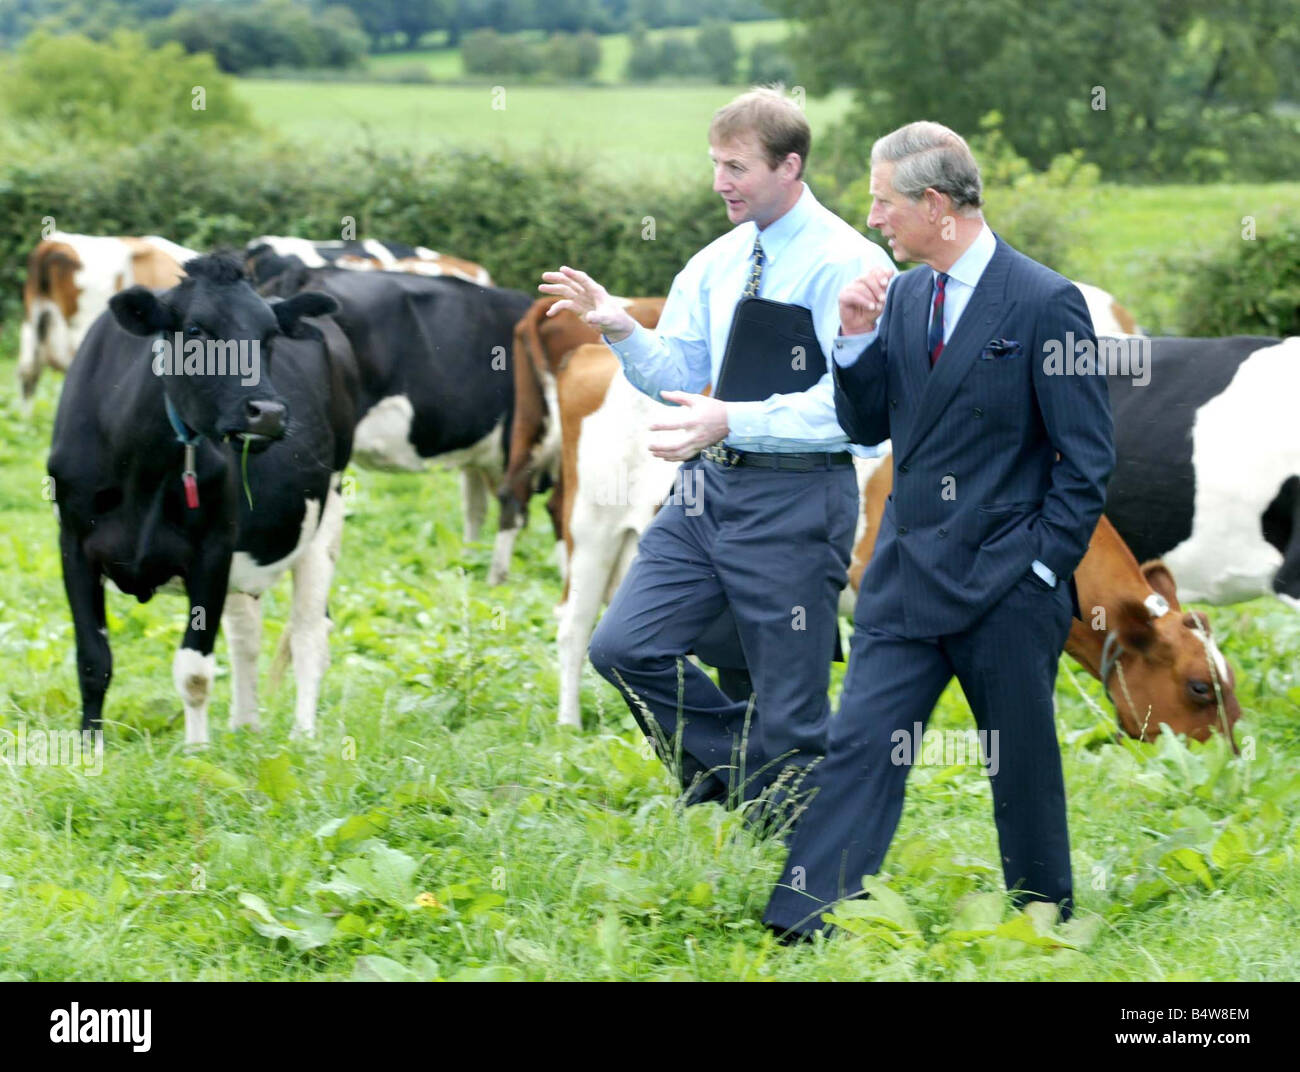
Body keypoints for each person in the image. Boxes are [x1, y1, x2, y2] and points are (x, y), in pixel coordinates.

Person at [763, 121, 1115, 938]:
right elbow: (866, 425)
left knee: (1017, 759)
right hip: (905, 575)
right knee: (859, 744)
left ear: (934, 203)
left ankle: (1041, 916)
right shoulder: (906, 296)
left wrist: (1039, 571)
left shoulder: (1045, 301)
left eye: (885, 203)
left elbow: (1087, 460)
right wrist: (852, 339)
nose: (875, 219)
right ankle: (804, 916)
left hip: (1006, 585)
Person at [539, 88, 893, 812]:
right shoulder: (714, 262)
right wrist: (621, 329)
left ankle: (792, 843)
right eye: (714, 165)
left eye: (735, 167)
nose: (718, 183)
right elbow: (677, 372)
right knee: (624, 649)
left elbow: (856, 415)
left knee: (790, 708)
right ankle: (754, 775)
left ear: (790, 165)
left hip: (798, 497)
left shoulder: (849, 264)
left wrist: (733, 419)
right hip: (703, 493)